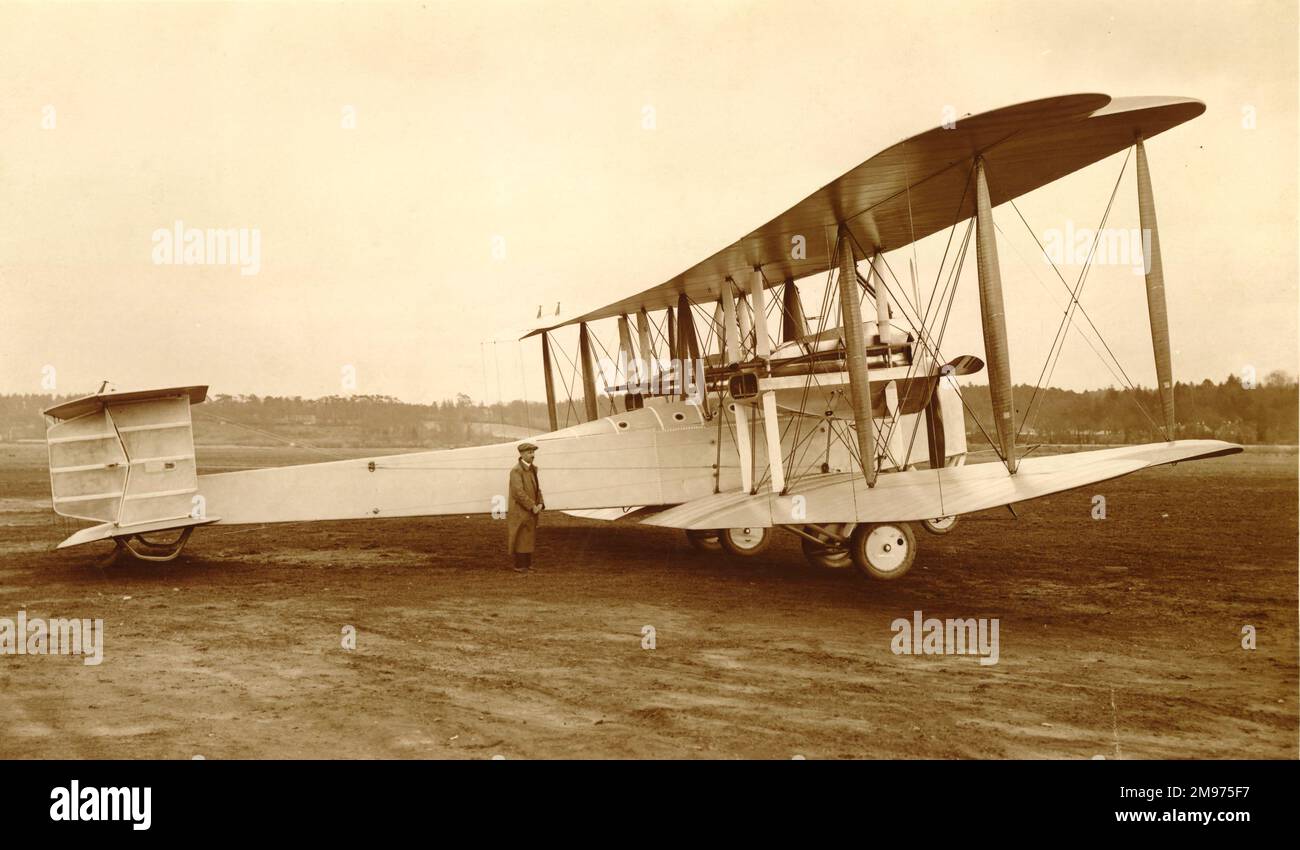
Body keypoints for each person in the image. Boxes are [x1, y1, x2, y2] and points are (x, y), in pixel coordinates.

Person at [506, 442, 544, 573]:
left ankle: (527, 565)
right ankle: (520, 565)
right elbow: (518, 492)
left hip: (529, 510)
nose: (533, 455)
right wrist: (532, 506)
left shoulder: (532, 469)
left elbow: (537, 488)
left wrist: (540, 503)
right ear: (522, 454)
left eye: (533, 452)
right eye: (529, 452)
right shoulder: (516, 471)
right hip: (520, 511)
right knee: (521, 537)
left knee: (528, 537)